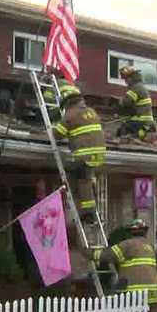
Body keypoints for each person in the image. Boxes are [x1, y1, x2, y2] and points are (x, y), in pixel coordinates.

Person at [51, 81, 105, 222]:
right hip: (98, 155)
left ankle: (88, 214)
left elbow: (57, 135)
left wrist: (51, 129)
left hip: (84, 155)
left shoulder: (70, 114)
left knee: (81, 182)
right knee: (88, 179)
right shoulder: (92, 112)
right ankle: (93, 207)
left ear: (68, 103)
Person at [115, 66, 157, 140]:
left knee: (122, 131)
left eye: (126, 78)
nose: (125, 81)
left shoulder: (136, 88)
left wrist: (120, 102)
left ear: (131, 78)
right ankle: (143, 132)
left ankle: (141, 133)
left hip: (140, 120)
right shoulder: (140, 86)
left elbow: (126, 102)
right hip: (144, 120)